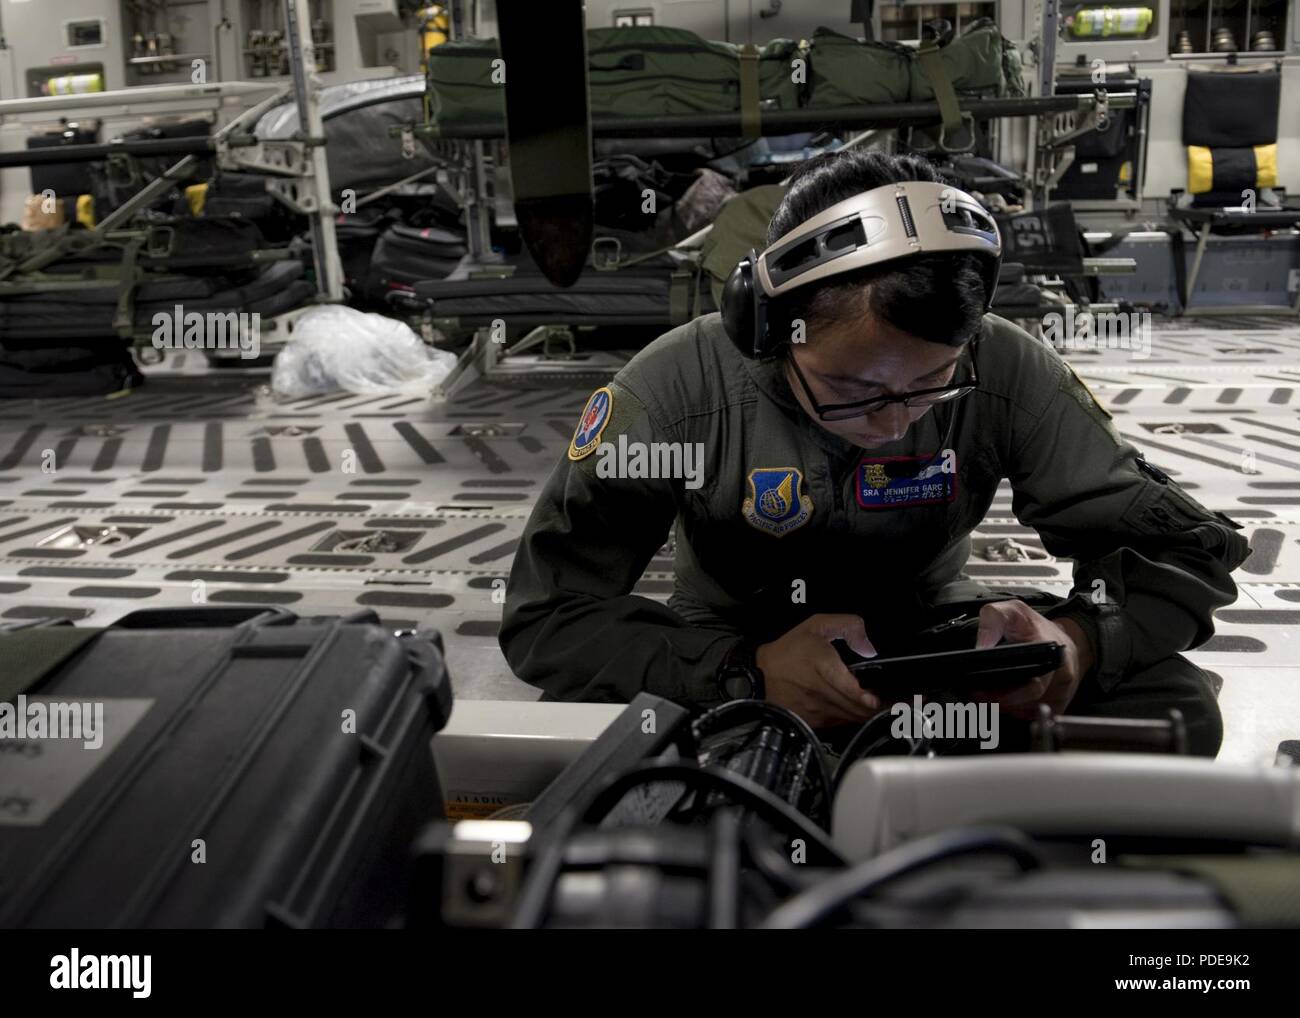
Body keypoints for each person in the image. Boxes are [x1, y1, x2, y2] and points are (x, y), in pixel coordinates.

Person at [498, 149, 1250, 757]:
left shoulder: (1006, 366)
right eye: (852, 388)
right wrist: (742, 675)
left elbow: (1186, 551)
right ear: (769, 327)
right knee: (595, 743)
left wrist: (1080, 641)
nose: (893, 422)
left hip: (929, 640)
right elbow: (551, 617)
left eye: (931, 385)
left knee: (1175, 708)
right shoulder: (673, 390)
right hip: (730, 648)